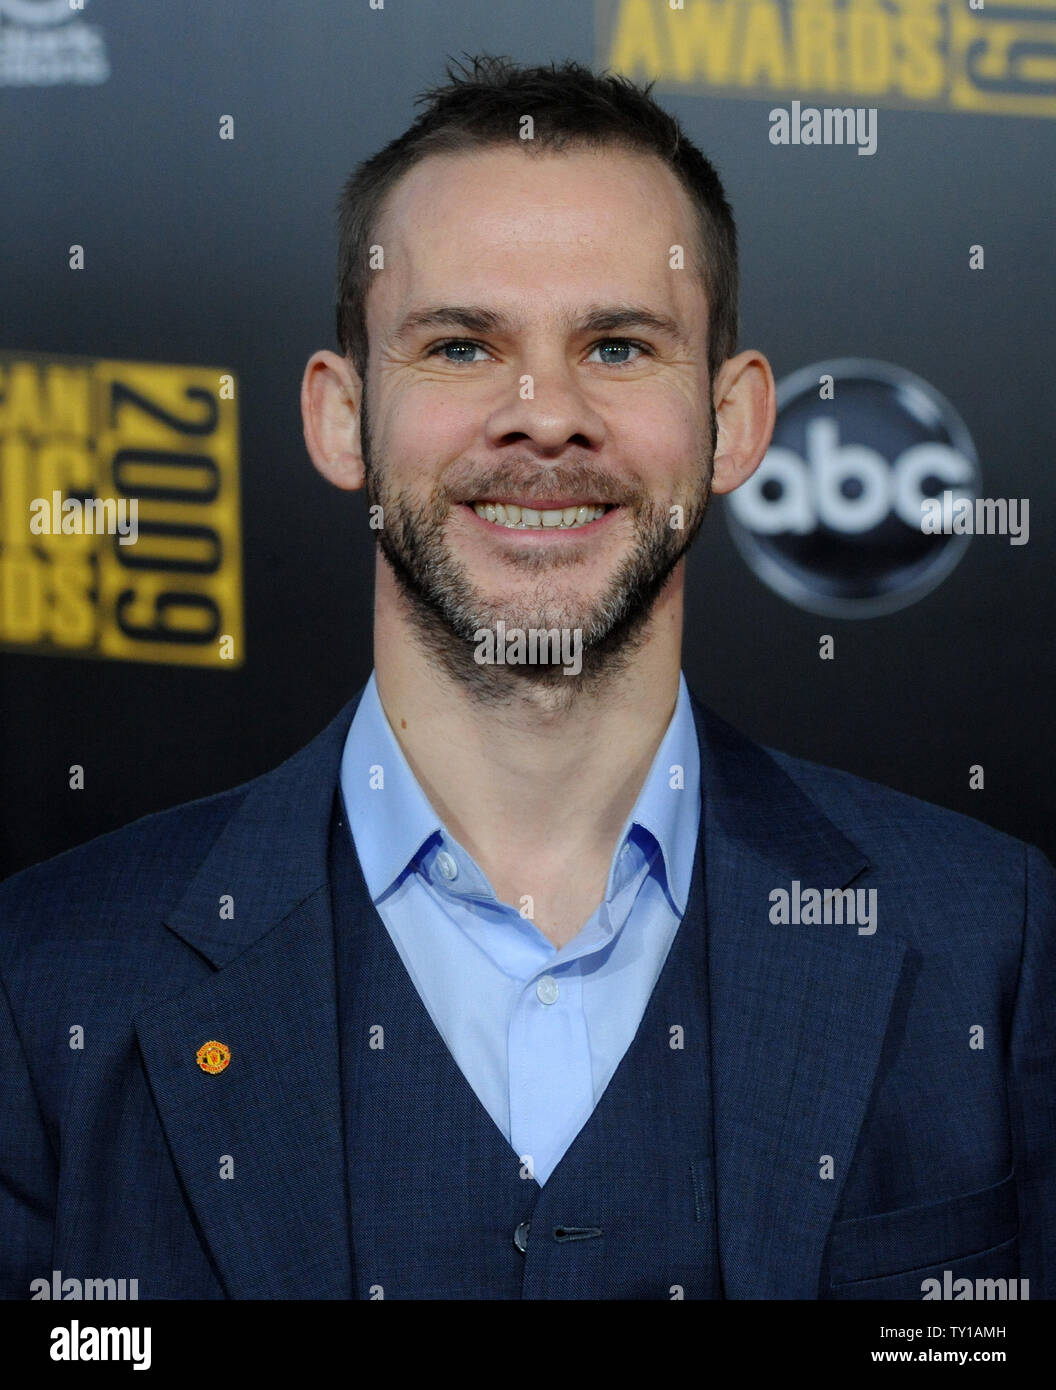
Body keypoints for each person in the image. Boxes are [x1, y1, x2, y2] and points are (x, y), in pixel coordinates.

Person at [1, 55, 1053, 1302]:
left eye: (616, 345)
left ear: (736, 422)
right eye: (459, 345)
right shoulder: (51, 973)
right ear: (343, 418)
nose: (542, 415)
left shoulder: (987, 938)